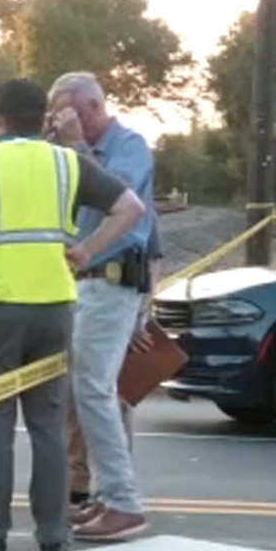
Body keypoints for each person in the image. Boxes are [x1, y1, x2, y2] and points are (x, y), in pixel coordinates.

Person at [0, 78, 145, 551]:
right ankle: (53, 536)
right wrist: (88, 249)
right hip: (54, 312)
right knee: (47, 424)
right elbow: (130, 208)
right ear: (42, 119)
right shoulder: (69, 163)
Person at [45, 71, 157, 541]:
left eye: (68, 114)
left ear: (92, 107)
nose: (62, 123)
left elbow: (120, 201)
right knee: (86, 394)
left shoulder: (129, 146)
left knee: (94, 390)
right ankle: (107, 495)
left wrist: (76, 146)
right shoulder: (71, 148)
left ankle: (124, 504)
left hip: (111, 279)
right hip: (84, 283)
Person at [65, 217, 163, 508]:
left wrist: (139, 314)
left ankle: (114, 490)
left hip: (112, 296)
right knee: (74, 398)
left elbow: (152, 261)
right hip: (74, 297)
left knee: (110, 400)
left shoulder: (132, 203)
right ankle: (77, 482)